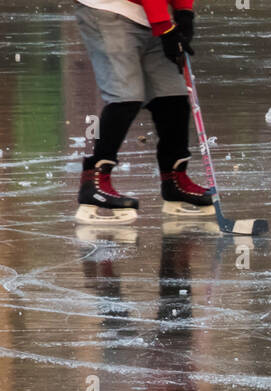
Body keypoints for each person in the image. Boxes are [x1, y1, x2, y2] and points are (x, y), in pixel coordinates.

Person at [73, 0, 215, 223]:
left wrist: (184, 12)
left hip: (153, 12)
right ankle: (94, 183)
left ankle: (175, 181)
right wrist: (164, 28)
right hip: (109, 9)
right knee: (126, 96)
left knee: (172, 97)